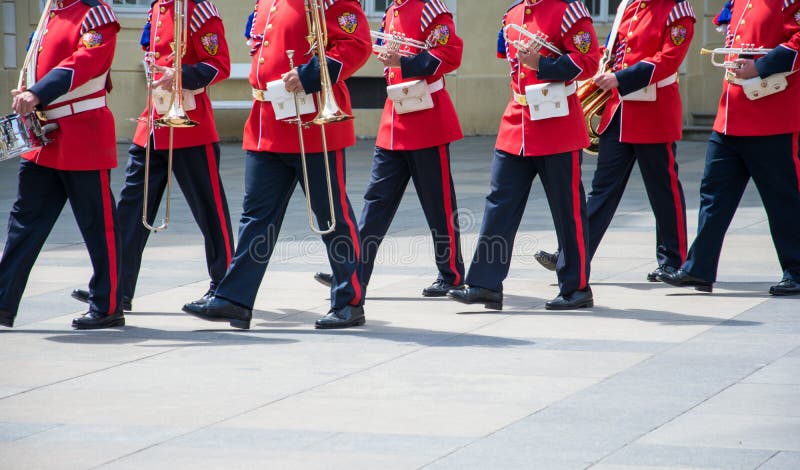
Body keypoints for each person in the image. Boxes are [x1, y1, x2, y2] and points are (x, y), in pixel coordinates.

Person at [182, 0, 372, 329]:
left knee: (331, 216)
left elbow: (356, 44)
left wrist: (312, 73)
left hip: (312, 121)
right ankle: (235, 299)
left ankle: (349, 299)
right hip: (267, 122)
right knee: (256, 217)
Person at [70, 0, 234, 312]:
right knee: (131, 209)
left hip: (190, 123)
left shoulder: (199, 9)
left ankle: (225, 287)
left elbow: (219, 64)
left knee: (209, 212)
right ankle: (117, 286)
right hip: (154, 122)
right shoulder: (160, 7)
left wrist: (182, 75)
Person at [447, 0, 599, 310]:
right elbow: (510, 62)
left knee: (566, 210)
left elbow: (589, 62)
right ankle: (485, 284)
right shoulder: (512, 14)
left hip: (556, 124)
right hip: (518, 122)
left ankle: (576, 287)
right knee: (498, 204)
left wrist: (542, 65)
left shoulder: (569, 10)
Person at [534, 0, 695, 283]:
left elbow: (669, 60)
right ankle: (571, 256)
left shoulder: (678, 10)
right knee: (601, 191)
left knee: (662, 189)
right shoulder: (627, 7)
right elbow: (613, 51)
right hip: (618, 111)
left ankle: (672, 260)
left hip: (653, 112)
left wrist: (621, 77)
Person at [313, 0, 465, 298]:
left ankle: (452, 274)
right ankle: (354, 274)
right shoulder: (392, 10)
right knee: (375, 203)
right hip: (394, 119)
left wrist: (404, 63)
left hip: (427, 117)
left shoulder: (431, 8)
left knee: (438, 203)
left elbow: (449, 54)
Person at [660, 0, 800, 296]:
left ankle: (797, 270)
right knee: (713, 195)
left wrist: (760, 66)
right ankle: (699, 268)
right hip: (730, 115)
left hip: (771, 117)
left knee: (783, 199)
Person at [0, 0, 123, 329]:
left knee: (98, 225)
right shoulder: (50, 13)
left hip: (82, 133)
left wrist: (38, 92)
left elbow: (87, 61)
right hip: (44, 137)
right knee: (24, 223)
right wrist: (29, 88)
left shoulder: (95, 13)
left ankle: (108, 304)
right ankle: (2, 302)